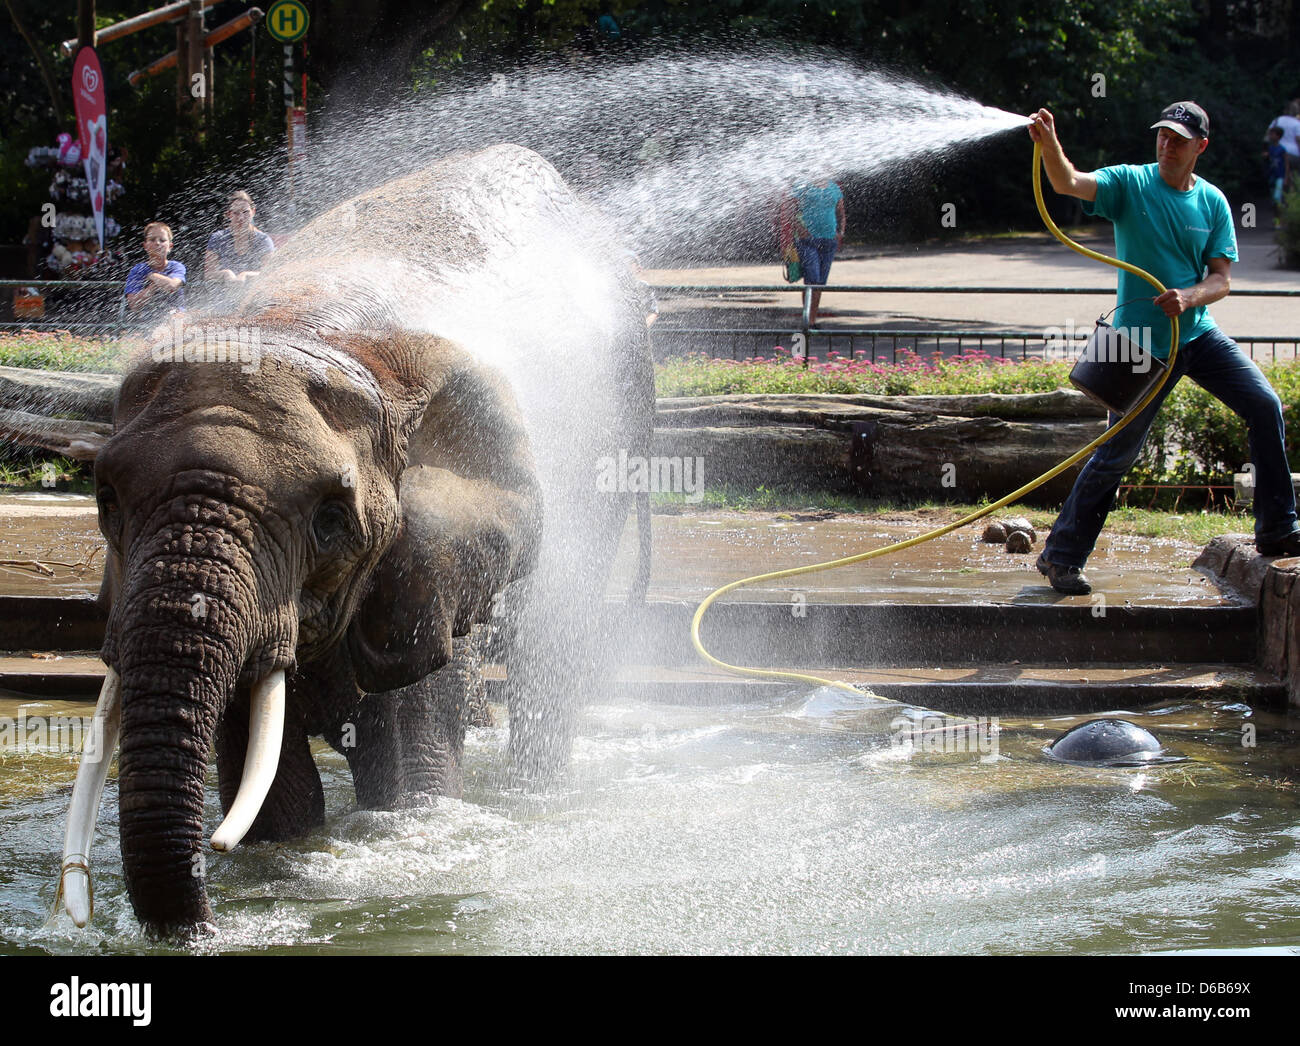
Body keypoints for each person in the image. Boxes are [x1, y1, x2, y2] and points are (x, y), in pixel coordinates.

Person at [1029, 102, 1300, 595]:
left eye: (1178, 138)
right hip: (1134, 342)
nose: (1167, 144)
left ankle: (1278, 529)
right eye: (1162, 135)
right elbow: (1067, 182)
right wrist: (1049, 142)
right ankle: (1061, 558)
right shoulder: (1129, 184)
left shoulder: (1212, 202)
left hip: (1198, 334)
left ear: (1200, 146)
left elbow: (1221, 279)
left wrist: (1189, 297)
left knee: (1265, 405)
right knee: (1114, 455)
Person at [784, 177, 845, 325]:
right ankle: (808, 320)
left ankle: (812, 319)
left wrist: (841, 232)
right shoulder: (802, 185)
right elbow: (789, 211)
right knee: (812, 279)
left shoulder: (834, 188)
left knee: (820, 283)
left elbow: (841, 213)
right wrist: (799, 228)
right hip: (807, 242)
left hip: (829, 241)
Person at [204, 190, 274, 304]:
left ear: (253, 212)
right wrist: (225, 273)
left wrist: (246, 275)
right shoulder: (217, 238)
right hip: (222, 300)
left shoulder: (263, 240)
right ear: (228, 214)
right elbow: (208, 275)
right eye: (236, 213)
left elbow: (270, 273)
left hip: (254, 300)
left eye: (245, 212)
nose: (241, 218)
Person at [123, 221, 185, 323]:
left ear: (170, 246)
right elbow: (134, 305)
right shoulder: (138, 270)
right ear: (145, 246)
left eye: (162, 240)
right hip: (146, 323)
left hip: (176, 321)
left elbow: (172, 286)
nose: (157, 243)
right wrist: (154, 286)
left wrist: (152, 275)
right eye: (152, 240)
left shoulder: (177, 267)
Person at [1267, 100, 1300, 185]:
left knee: (1278, 175)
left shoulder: (1277, 120)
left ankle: (1279, 193)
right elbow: (1298, 139)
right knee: (1294, 176)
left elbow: (1268, 134)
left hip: (1277, 152)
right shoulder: (1297, 123)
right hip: (1294, 154)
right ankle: (1291, 194)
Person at [1266, 126, 1291, 226]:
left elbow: (1286, 164)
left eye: (1273, 134)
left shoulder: (1282, 149)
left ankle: (1280, 219)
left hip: (1280, 176)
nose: (1271, 136)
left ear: (1278, 136)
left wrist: (1286, 177)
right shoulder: (1270, 148)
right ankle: (1276, 219)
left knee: (1277, 198)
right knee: (1274, 200)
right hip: (1272, 176)